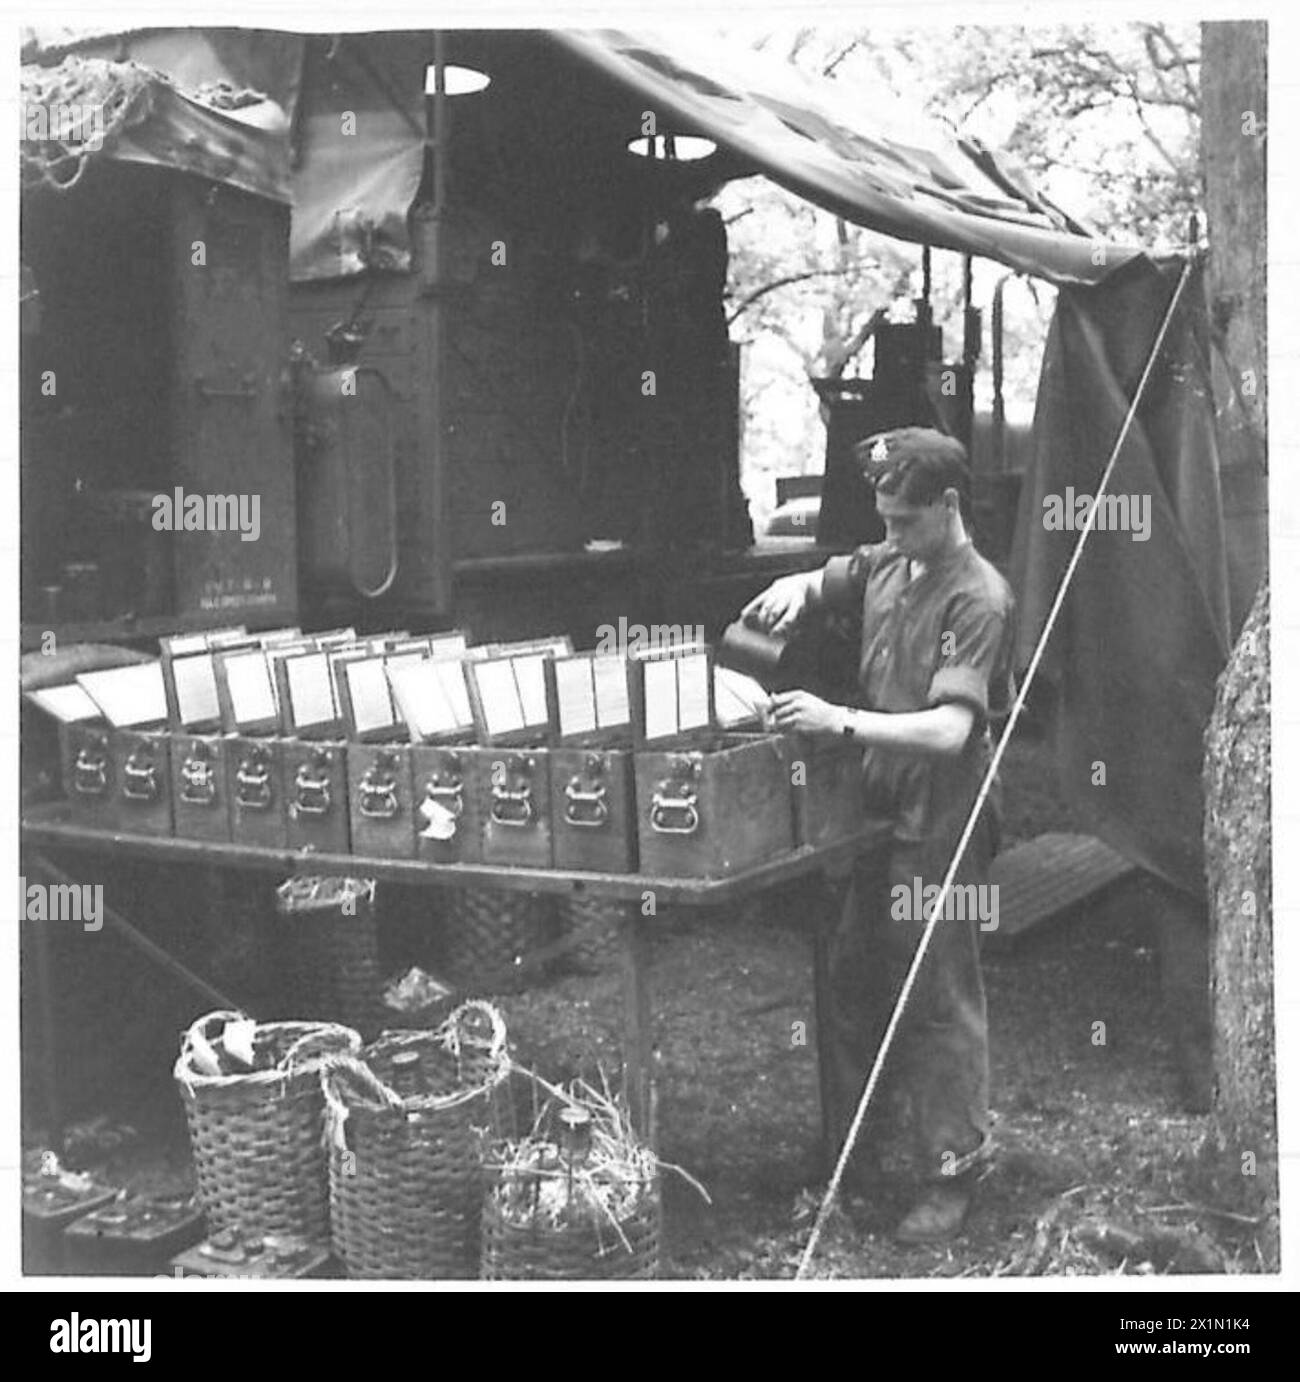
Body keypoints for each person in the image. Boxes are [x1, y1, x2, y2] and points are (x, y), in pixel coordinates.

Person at [742, 426, 1016, 1244]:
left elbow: (949, 733)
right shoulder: (893, 559)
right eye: (883, 518)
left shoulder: (980, 597)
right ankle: (849, 1157)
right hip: (870, 810)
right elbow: (848, 572)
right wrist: (799, 584)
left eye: (903, 518)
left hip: (941, 818)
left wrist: (839, 720)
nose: (888, 534)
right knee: (850, 973)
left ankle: (952, 1172)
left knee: (935, 994)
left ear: (949, 506)